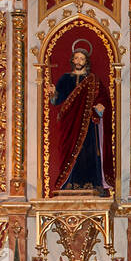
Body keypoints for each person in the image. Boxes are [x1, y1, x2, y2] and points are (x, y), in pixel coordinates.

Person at [48, 46, 109, 192]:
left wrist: (100, 105)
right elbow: (57, 101)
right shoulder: (65, 79)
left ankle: (92, 184)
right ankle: (69, 182)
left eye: (82, 58)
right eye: (77, 58)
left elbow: (103, 98)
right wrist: (53, 93)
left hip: (87, 124)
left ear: (86, 61)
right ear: (72, 60)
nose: (79, 61)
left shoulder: (93, 80)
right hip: (69, 122)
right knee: (69, 150)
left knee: (88, 152)